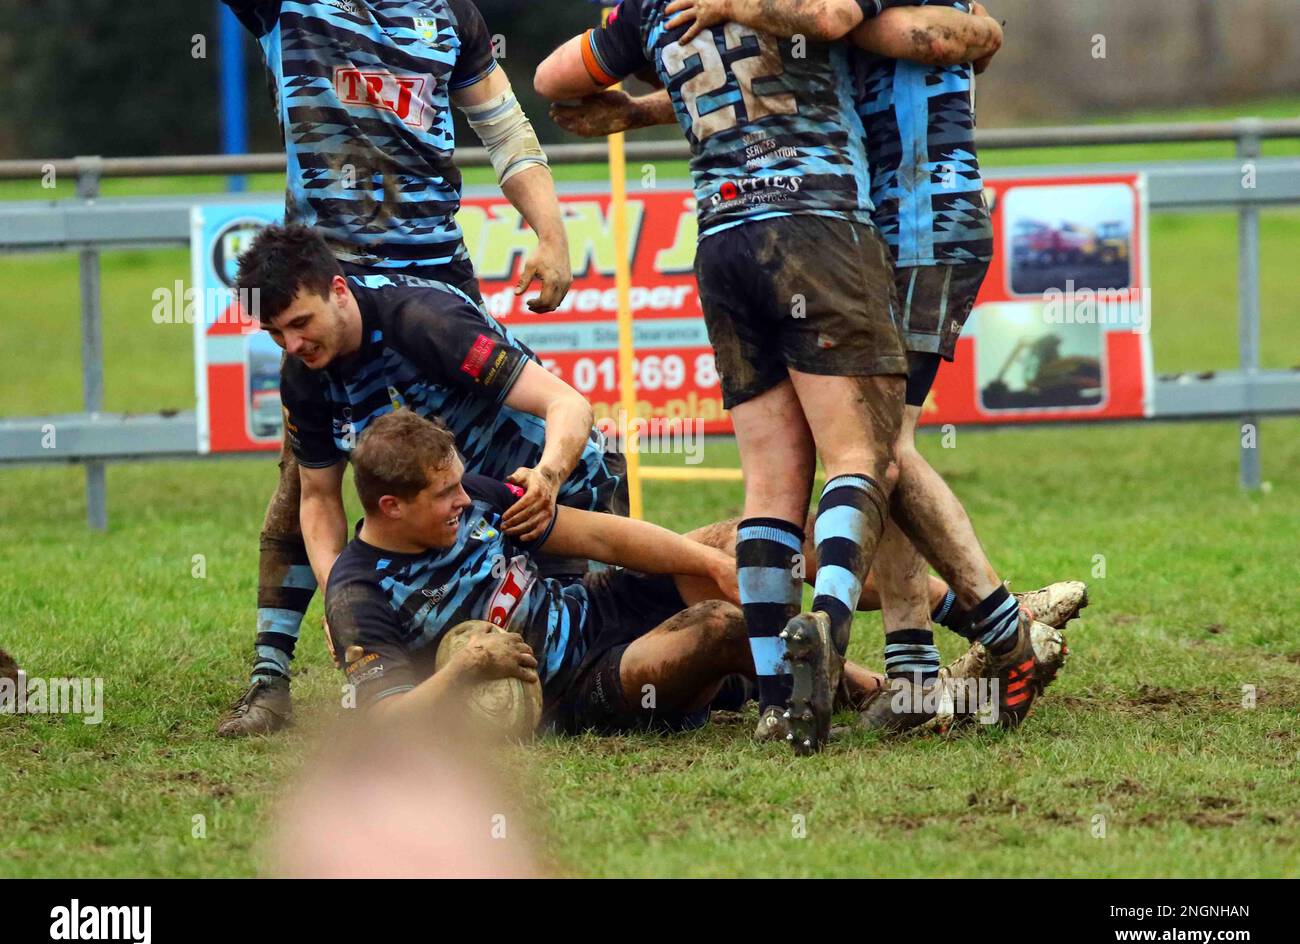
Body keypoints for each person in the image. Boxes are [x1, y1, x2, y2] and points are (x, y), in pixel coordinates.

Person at [534, 0, 1062, 751]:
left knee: (875, 452)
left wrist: (725, 20)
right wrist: (667, 97)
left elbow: (897, 29)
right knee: (869, 454)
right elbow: (811, 40)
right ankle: (942, 654)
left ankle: (985, 640)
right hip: (847, 219)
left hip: (918, 217)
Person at [216, 0, 583, 735]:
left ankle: (570, 645)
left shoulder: (449, 13)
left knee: (500, 462)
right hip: (333, 285)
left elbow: (505, 128)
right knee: (307, 472)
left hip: (438, 289)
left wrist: (551, 232)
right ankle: (270, 677)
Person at [325, 410, 997, 735]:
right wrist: (461, 671)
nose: (464, 499)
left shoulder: (470, 492)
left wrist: (711, 560)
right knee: (727, 623)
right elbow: (378, 723)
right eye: (444, 495)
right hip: (576, 687)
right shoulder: (358, 591)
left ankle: (989, 619)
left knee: (753, 548)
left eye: (457, 485)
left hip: (594, 606)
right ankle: (903, 695)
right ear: (392, 506)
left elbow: (599, 535)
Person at [217, 224, 624, 737]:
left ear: (339, 291)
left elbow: (567, 403)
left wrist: (547, 477)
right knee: (450, 686)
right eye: (276, 334)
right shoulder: (304, 376)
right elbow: (319, 499)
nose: (293, 344)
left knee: (576, 670)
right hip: (457, 521)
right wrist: (341, 596)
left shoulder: (425, 323)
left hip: (560, 491)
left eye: (300, 323)